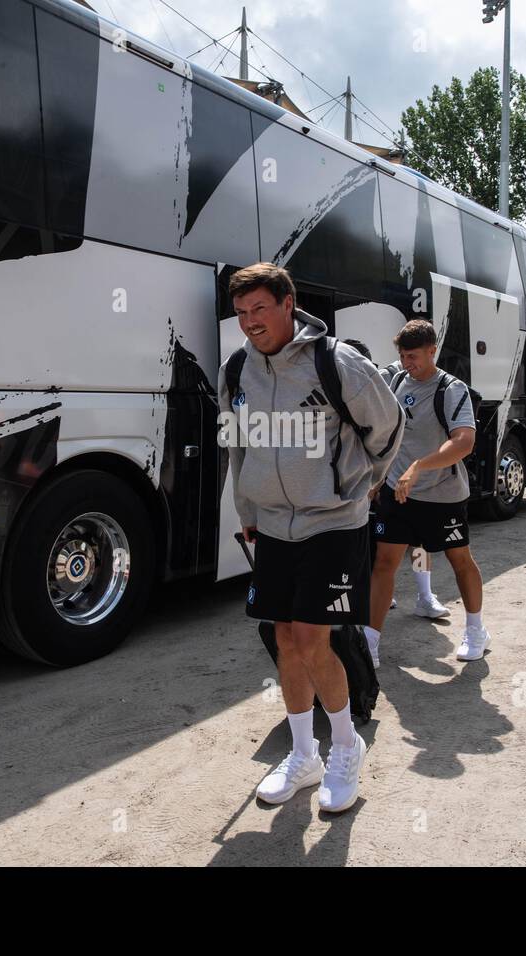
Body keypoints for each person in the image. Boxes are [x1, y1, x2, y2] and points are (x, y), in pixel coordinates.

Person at [219, 264, 404, 813]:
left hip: (333, 524)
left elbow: (387, 426)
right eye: (241, 313)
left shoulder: (336, 361)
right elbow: (239, 446)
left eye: (260, 309)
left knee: (312, 639)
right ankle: (304, 757)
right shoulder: (236, 372)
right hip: (274, 525)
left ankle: (346, 745)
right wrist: (248, 506)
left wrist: (359, 485)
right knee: (284, 638)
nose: (251, 322)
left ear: (287, 303)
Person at [367, 319, 488, 664]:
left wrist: (418, 467)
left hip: (441, 495)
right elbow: (389, 435)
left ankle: (476, 629)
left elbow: (464, 442)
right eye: (403, 356)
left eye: (414, 356)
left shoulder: (451, 389)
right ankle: (371, 642)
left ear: (432, 351)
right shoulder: (396, 381)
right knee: (385, 562)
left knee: (459, 559)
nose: (408, 363)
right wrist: (379, 477)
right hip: (397, 492)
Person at [343, 339, 449, 620]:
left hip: (391, 477)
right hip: (361, 480)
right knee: (361, 543)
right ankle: (365, 594)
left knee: (419, 542)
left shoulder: (385, 381)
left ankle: (424, 595)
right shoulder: (338, 386)